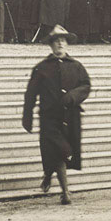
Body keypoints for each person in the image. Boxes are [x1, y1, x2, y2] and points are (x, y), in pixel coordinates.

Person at [22, 25, 91, 205]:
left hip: (70, 117)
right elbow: (31, 94)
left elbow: (86, 85)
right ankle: (65, 192)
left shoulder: (76, 66)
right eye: (56, 41)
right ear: (51, 45)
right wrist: (27, 117)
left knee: (62, 152)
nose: (60, 44)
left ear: (67, 44)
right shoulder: (42, 68)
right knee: (62, 151)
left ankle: (48, 175)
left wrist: (73, 96)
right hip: (49, 118)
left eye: (63, 41)